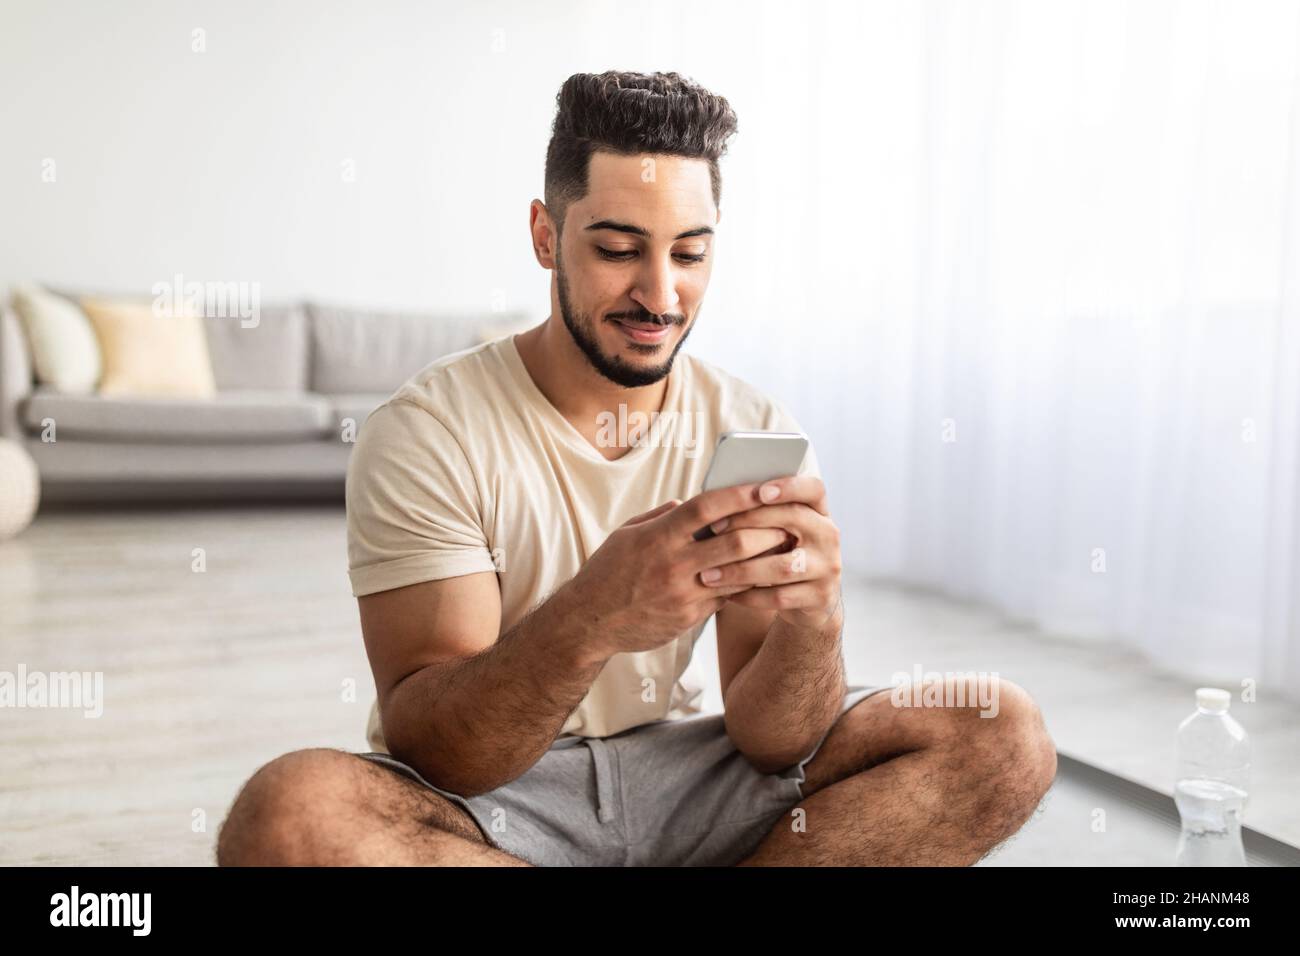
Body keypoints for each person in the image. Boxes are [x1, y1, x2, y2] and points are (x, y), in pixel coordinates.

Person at [217, 70, 1056, 867]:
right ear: (547, 237)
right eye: (619, 248)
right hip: (501, 808)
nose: (660, 296)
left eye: (689, 256)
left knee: (1001, 732)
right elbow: (444, 752)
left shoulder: (752, 427)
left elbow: (773, 741)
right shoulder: (429, 432)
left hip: (681, 782)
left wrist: (816, 622)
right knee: (290, 816)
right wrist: (596, 614)